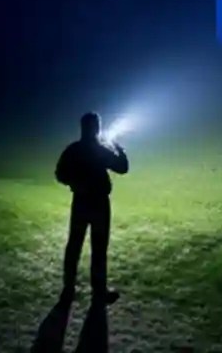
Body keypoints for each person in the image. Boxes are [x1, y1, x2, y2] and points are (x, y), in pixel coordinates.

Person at [55, 111, 129, 306]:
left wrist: (74, 183)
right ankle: (99, 292)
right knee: (98, 248)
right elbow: (122, 167)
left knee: (74, 245)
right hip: (99, 205)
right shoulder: (100, 150)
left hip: (80, 203)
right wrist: (119, 149)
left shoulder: (73, 149)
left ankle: (68, 289)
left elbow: (59, 174)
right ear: (96, 127)